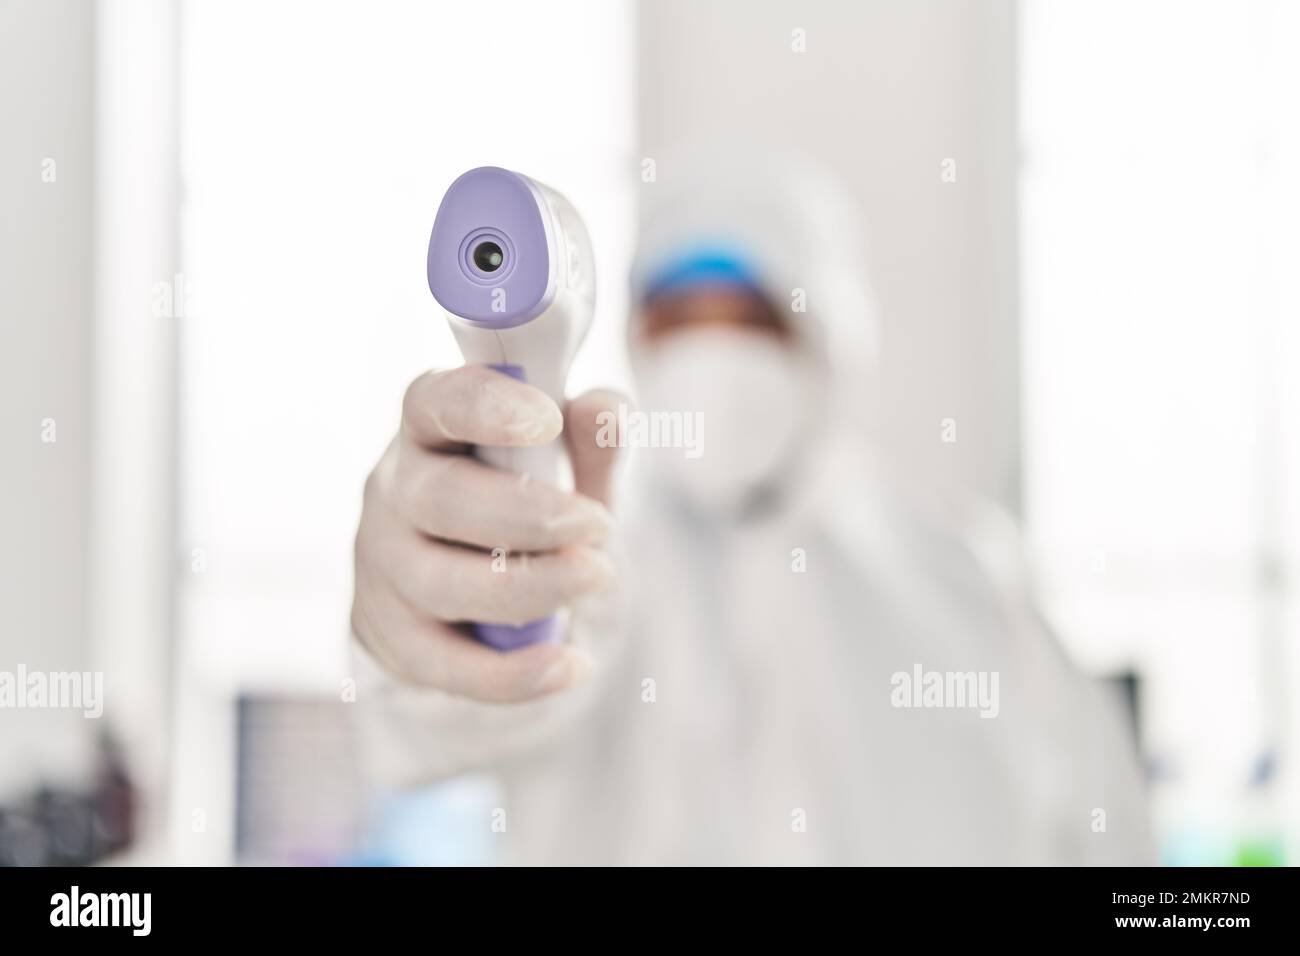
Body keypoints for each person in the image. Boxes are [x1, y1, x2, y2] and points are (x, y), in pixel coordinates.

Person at [350, 153, 1153, 865]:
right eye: (679, 322)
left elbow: (1105, 833)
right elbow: (434, 725)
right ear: (637, 337)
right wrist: (433, 601)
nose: (715, 359)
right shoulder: (582, 547)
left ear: (825, 337)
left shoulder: (968, 579)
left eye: (750, 320)